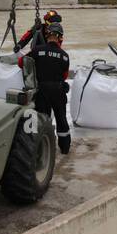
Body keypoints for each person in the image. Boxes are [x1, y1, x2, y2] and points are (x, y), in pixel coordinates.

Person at [20, 21, 72, 155]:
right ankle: (65, 148)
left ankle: (42, 148)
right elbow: (65, 76)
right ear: (60, 38)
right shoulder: (65, 56)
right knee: (61, 119)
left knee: (42, 119)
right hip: (58, 90)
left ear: (47, 35)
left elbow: (22, 63)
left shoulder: (37, 50)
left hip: (42, 91)